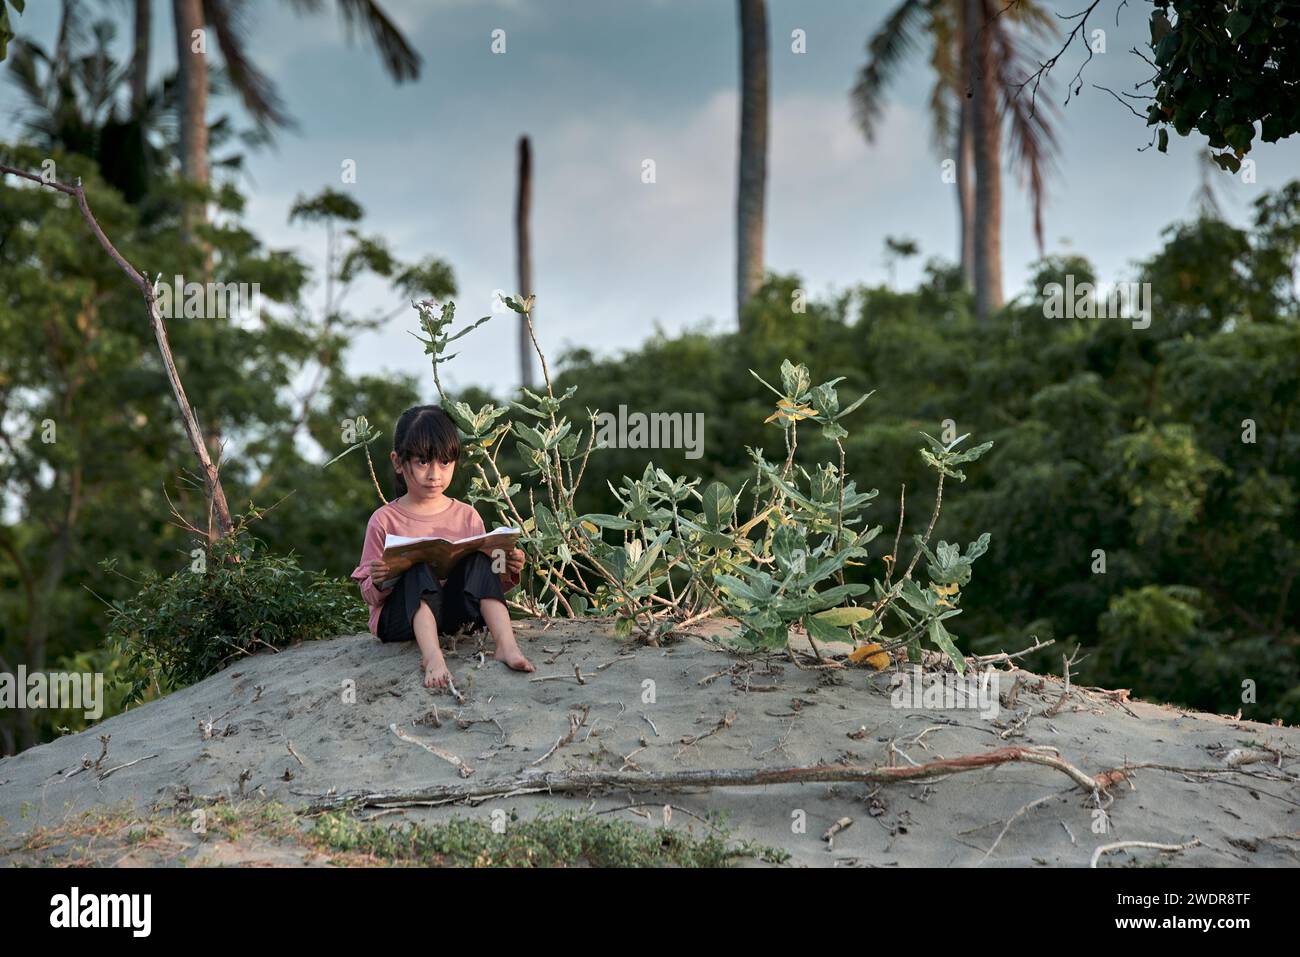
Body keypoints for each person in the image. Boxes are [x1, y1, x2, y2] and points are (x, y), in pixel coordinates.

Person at [350, 405, 534, 688]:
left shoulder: (466, 515)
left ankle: (506, 645)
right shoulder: (384, 520)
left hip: (453, 615)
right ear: (399, 462)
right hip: (401, 621)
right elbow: (369, 595)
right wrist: (379, 580)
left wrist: (505, 563)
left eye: (444, 463)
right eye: (423, 462)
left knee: (479, 560)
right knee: (418, 569)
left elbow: (483, 580)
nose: (435, 474)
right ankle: (432, 657)